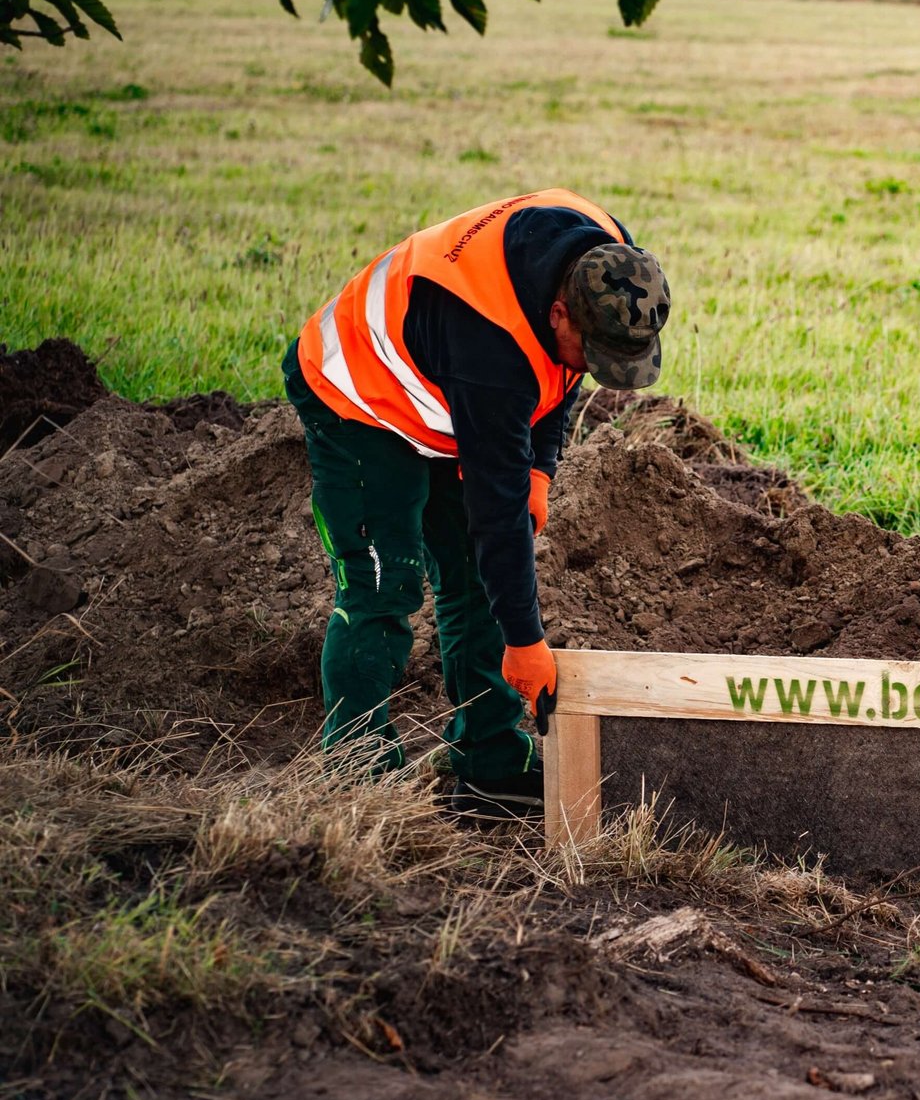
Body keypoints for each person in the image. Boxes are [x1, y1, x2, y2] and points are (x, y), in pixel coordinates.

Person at [282, 189, 669, 820]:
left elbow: (560, 377)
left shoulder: (603, 253)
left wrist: (540, 469)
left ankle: (490, 765)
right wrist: (525, 642)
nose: (597, 372)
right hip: (358, 391)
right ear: (558, 315)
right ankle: (356, 778)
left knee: (469, 578)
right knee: (386, 582)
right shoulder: (492, 350)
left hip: (444, 388)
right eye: (594, 355)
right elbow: (496, 516)